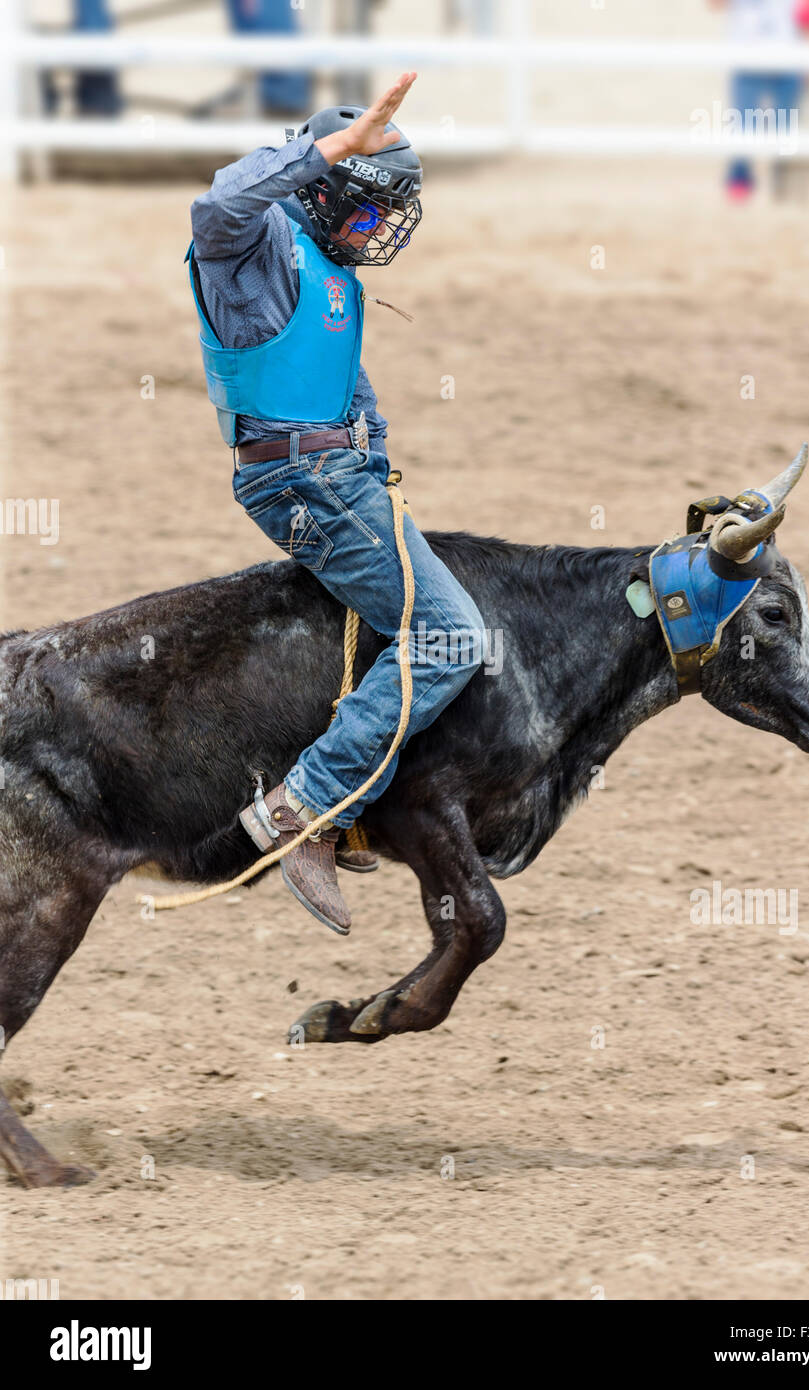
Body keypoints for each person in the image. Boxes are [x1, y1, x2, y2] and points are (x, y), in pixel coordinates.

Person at [186, 74, 485, 935]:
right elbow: (215, 205)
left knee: (420, 618)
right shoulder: (249, 248)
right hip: (302, 481)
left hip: (336, 477)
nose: (375, 232)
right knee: (451, 634)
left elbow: (353, 397)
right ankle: (300, 809)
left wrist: (379, 468)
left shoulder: (331, 271)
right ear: (319, 185)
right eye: (363, 209)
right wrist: (332, 147)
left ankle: (352, 804)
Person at [709, 0, 809, 199]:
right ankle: (740, 180)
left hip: (788, 58)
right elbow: (714, 4)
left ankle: (783, 183)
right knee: (743, 125)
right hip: (746, 59)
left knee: (785, 128)